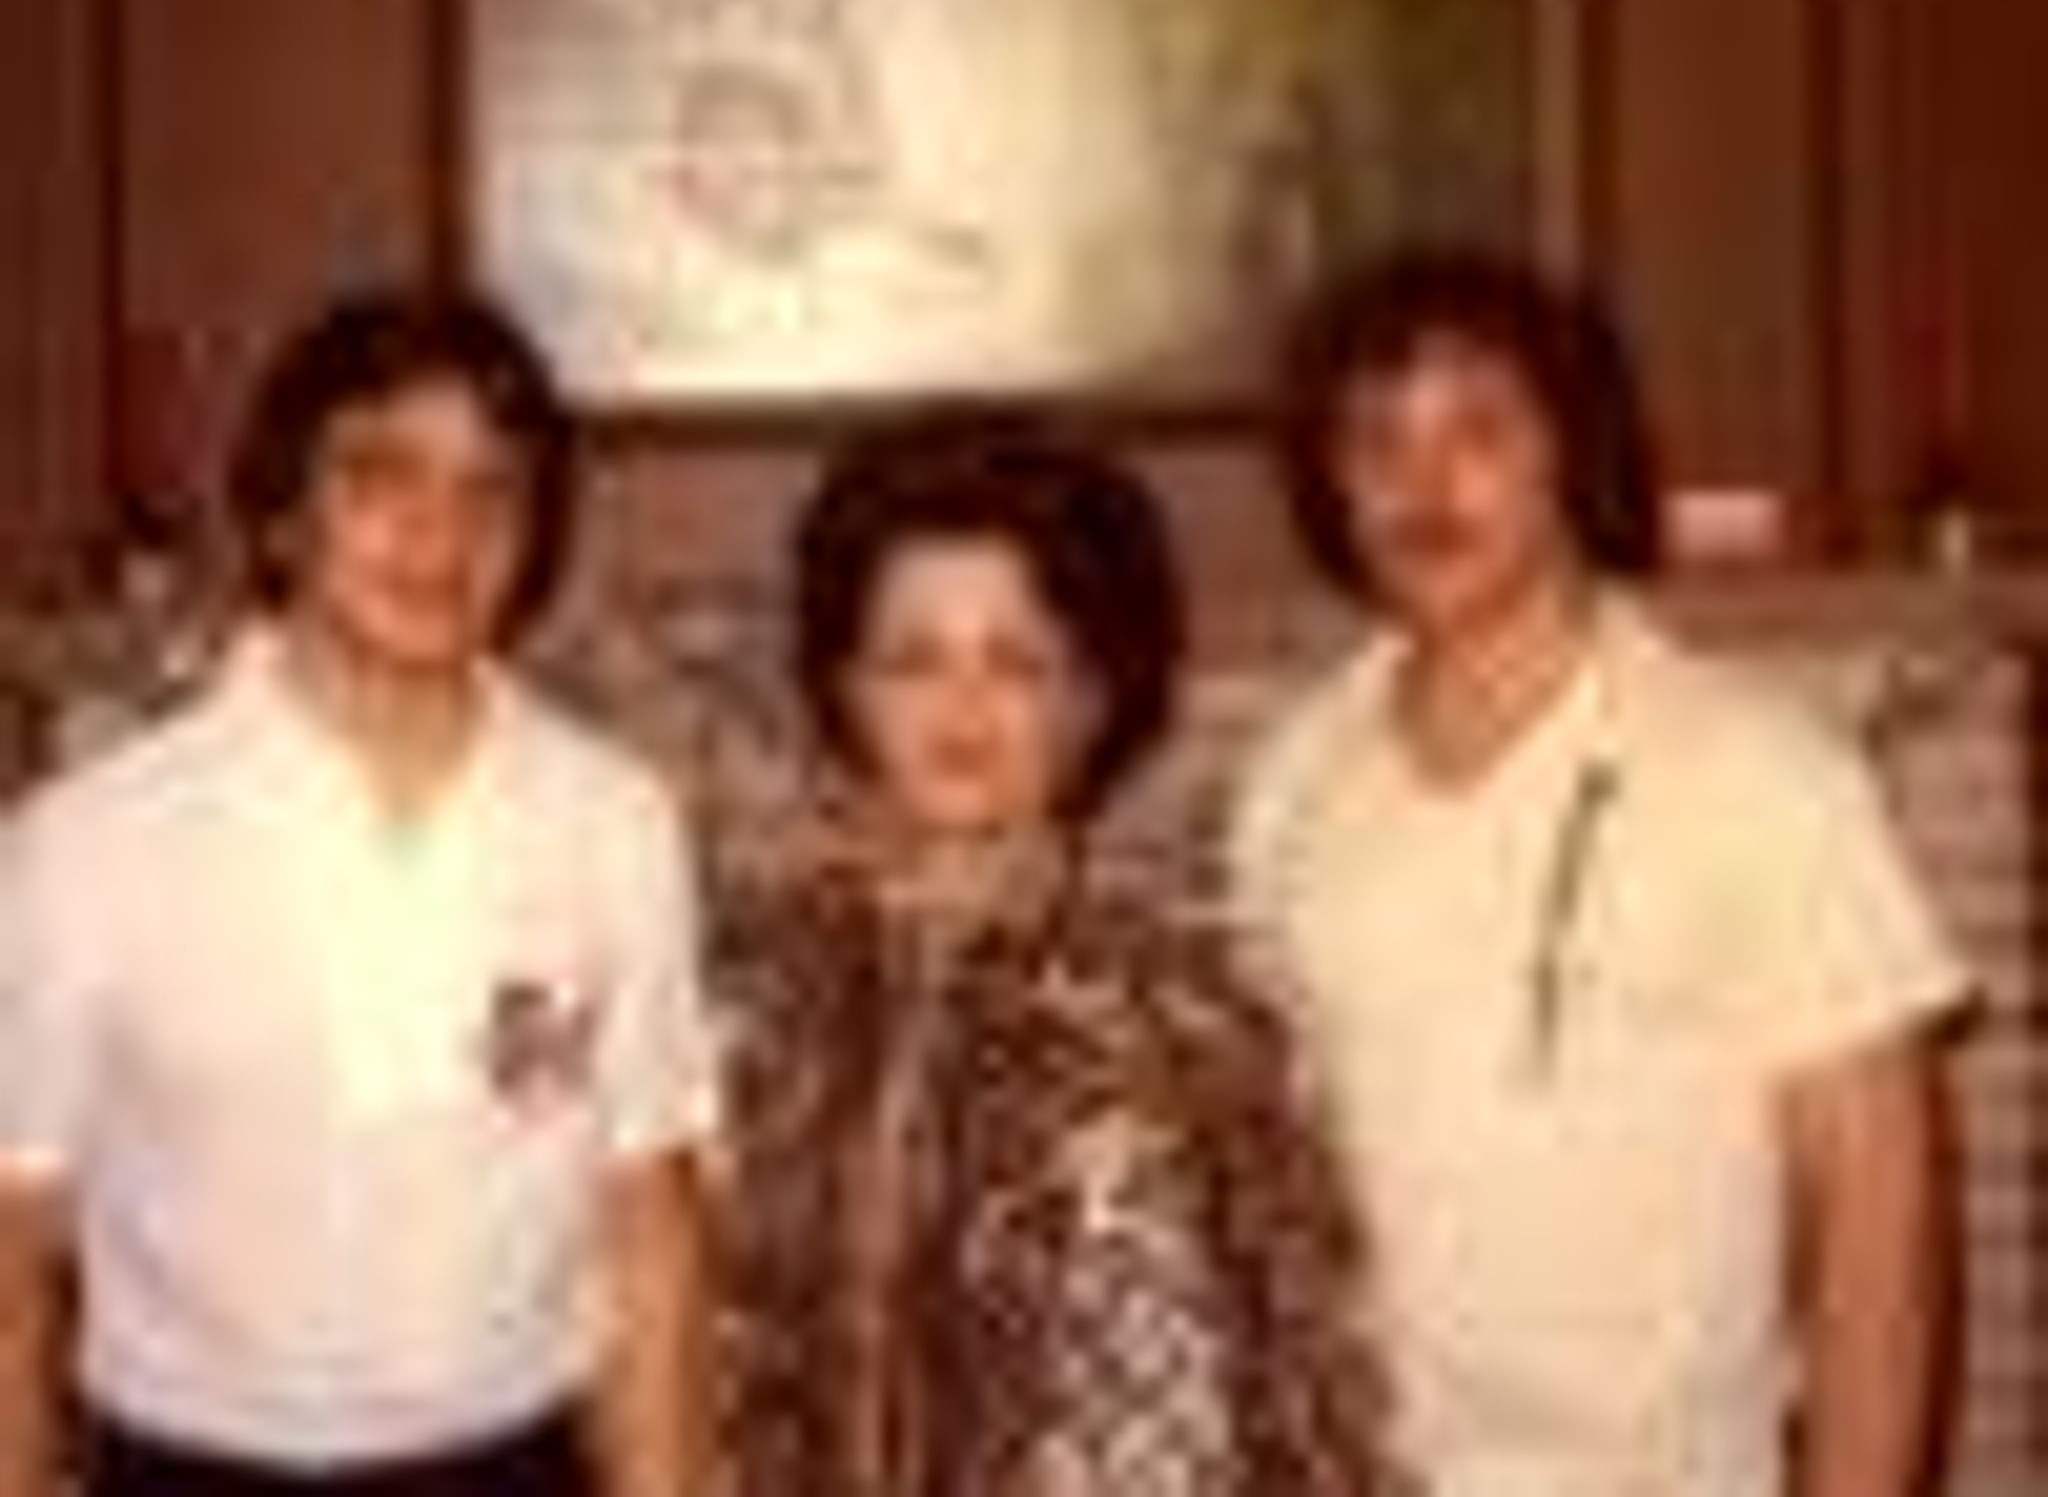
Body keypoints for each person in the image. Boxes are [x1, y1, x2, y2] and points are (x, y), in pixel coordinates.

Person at [1225, 247, 1970, 1497]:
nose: (1422, 485)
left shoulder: (1759, 773)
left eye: (1476, 429)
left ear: (1570, 449)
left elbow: (1878, 1228)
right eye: (1373, 442)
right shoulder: (1292, 773)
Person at [0, 288, 720, 1497]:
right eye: (381, 473)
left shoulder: (615, 820)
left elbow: (645, 1225)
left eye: (492, 489)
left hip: (517, 1466)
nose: (441, 532)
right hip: (185, 1469)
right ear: (283, 514)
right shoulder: (83, 844)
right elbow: (12, 1246)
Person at [711, 410, 1381, 1497]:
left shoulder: (1200, 1001)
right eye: (912, 660)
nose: (960, 707)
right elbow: (715, 1356)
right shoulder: (761, 993)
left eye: (1017, 661)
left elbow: (1302, 1381)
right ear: (846, 690)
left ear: (1092, 698)